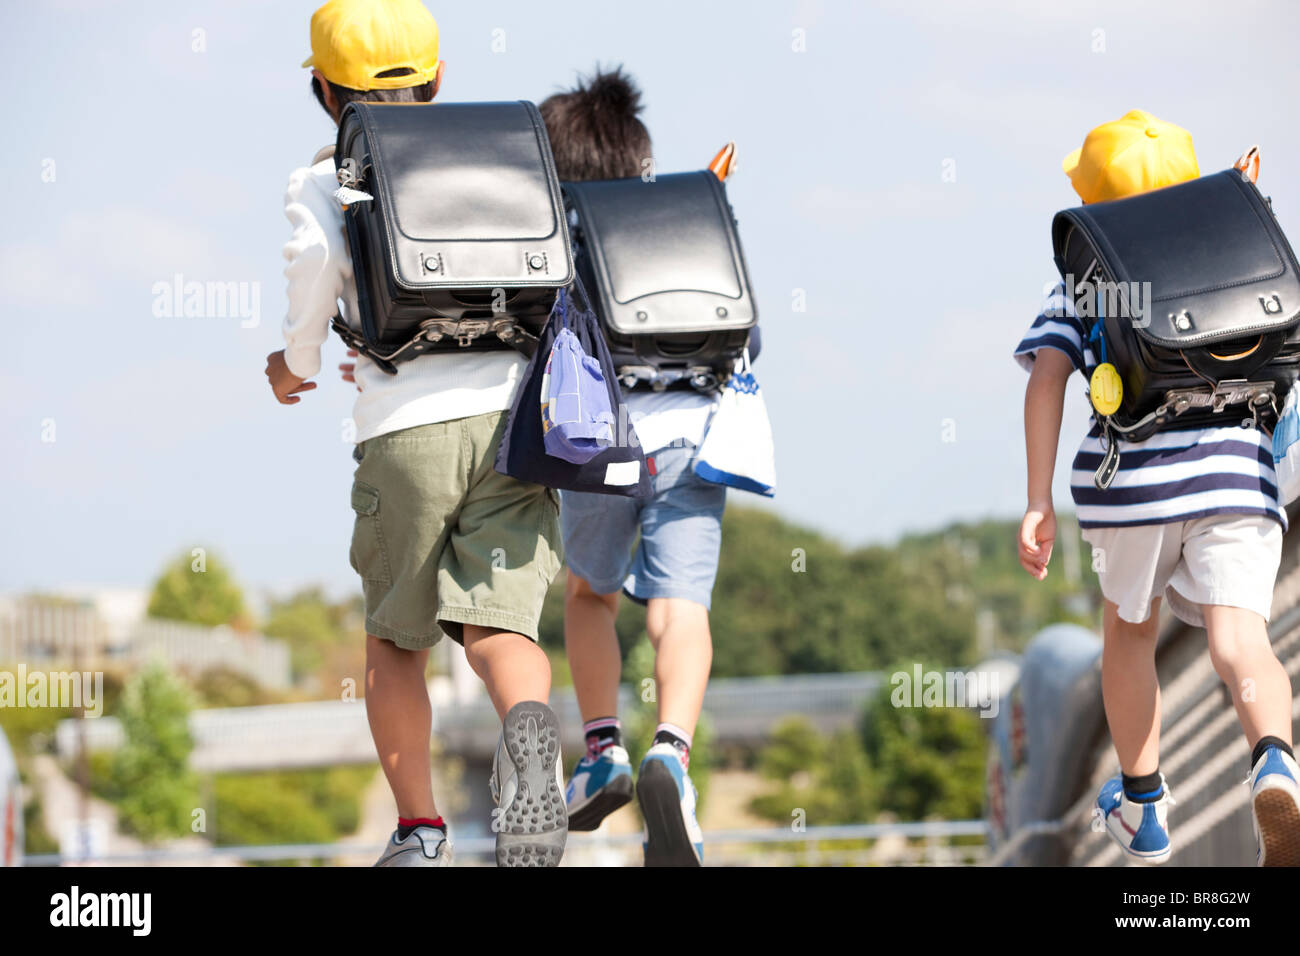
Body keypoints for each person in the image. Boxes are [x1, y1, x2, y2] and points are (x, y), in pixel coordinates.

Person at [265, 0, 567, 868]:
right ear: (438, 79)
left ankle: (420, 832)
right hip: (517, 425)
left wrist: (296, 362)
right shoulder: (508, 155)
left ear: (325, 90)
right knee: (501, 628)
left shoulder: (323, 178)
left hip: (404, 428)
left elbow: (314, 269)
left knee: (395, 643)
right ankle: (528, 746)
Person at [1016, 109, 1299, 866]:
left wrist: (1039, 498)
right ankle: (1274, 759)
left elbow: (1045, 383)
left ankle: (1143, 806)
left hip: (1135, 488)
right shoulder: (1231, 249)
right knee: (1242, 640)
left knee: (1128, 635)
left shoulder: (1085, 278)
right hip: (1237, 475)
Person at [539, 67, 753, 867]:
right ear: (639, 161)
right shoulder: (691, 221)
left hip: (599, 443)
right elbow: (748, 338)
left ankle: (603, 753)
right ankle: (673, 753)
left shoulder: (561, 237)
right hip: (695, 437)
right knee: (679, 607)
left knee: (591, 595)